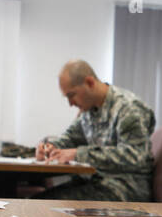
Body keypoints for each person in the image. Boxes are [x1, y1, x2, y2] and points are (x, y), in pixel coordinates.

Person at [34, 60, 155, 201]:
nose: (70, 103)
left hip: (125, 188)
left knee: (45, 206)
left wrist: (78, 154)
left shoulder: (128, 108)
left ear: (90, 83)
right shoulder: (88, 111)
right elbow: (69, 138)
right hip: (95, 182)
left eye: (71, 95)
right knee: (38, 202)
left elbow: (136, 156)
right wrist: (48, 146)